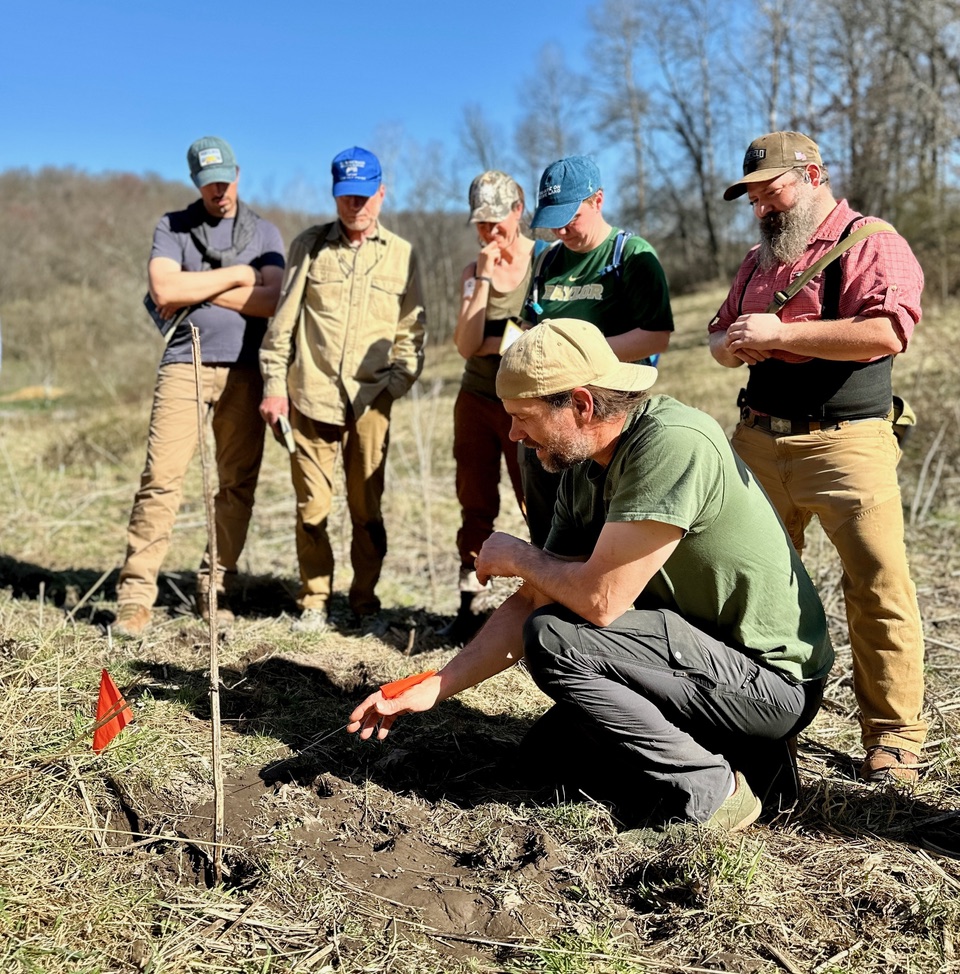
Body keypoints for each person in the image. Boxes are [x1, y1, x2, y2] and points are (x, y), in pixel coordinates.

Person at [348, 318, 832, 831]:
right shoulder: (582, 465)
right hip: (697, 658)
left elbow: (600, 602)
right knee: (546, 761)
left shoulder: (670, 444)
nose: (513, 433)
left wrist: (517, 555)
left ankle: (716, 789)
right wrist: (439, 685)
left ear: (580, 404)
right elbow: (537, 595)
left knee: (556, 639)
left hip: (771, 683)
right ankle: (752, 760)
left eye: (522, 417)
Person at [708, 131, 926, 783]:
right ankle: (758, 719)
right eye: (751, 198)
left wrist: (784, 333)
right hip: (757, 440)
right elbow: (716, 333)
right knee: (753, 586)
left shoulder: (871, 241)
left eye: (769, 192)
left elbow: (889, 329)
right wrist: (729, 347)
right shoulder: (753, 263)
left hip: (848, 442)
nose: (760, 209)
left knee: (878, 584)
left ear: (813, 176)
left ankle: (894, 736)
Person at [113, 136, 285, 637]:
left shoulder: (264, 231)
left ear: (238, 173)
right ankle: (135, 598)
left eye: (226, 180)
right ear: (196, 182)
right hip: (182, 364)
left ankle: (215, 591)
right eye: (209, 183)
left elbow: (273, 300)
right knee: (161, 479)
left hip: (245, 370)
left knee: (237, 485)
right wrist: (236, 276)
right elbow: (164, 289)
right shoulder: (173, 226)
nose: (219, 191)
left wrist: (199, 285)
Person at [259, 147, 425, 632]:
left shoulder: (401, 255)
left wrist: (395, 385)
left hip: (371, 404)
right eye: (346, 197)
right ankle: (314, 600)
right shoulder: (309, 246)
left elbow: (413, 331)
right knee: (312, 510)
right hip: (310, 399)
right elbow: (282, 324)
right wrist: (274, 385)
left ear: (382, 192)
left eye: (364, 196)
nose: (355, 206)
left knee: (366, 511)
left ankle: (364, 602)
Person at [520, 155, 674, 547]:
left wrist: (576, 356)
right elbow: (528, 329)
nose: (561, 228)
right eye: (553, 218)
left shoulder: (630, 256)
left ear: (598, 200)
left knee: (605, 525)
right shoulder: (547, 261)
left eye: (571, 215)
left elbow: (656, 336)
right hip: (550, 414)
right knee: (550, 527)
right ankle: (548, 589)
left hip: (607, 412)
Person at [445, 170, 540, 644]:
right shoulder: (472, 271)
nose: (487, 232)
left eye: (495, 221)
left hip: (526, 404)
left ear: (517, 212)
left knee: (536, 496)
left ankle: (545, 590)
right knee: (474, 496)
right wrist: (482, 277)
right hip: (476, 399)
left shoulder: (542, 262)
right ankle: (470, 596)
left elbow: (538, 339)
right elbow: (465, 343)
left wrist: (495, 340)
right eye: (479, 224)